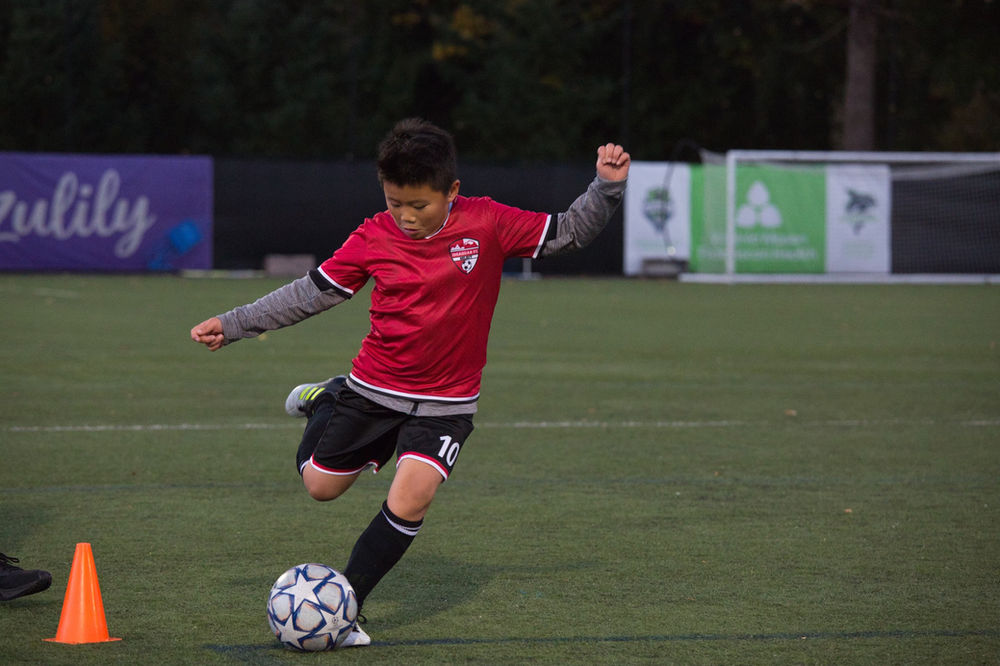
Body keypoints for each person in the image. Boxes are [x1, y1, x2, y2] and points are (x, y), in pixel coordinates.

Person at [191, 118, 629, 647]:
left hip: (448, 404)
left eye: (419, 205)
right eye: (395, 202)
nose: (406, 216)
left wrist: (605, 187)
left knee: (413, 498)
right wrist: (236, 324)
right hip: (373, 389)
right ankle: (326, 397)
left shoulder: (487, 222)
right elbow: (311, 294)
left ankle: (344, 607)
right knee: (320, 487)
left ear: (452, 192)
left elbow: (568, 232)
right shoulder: (372, 236)